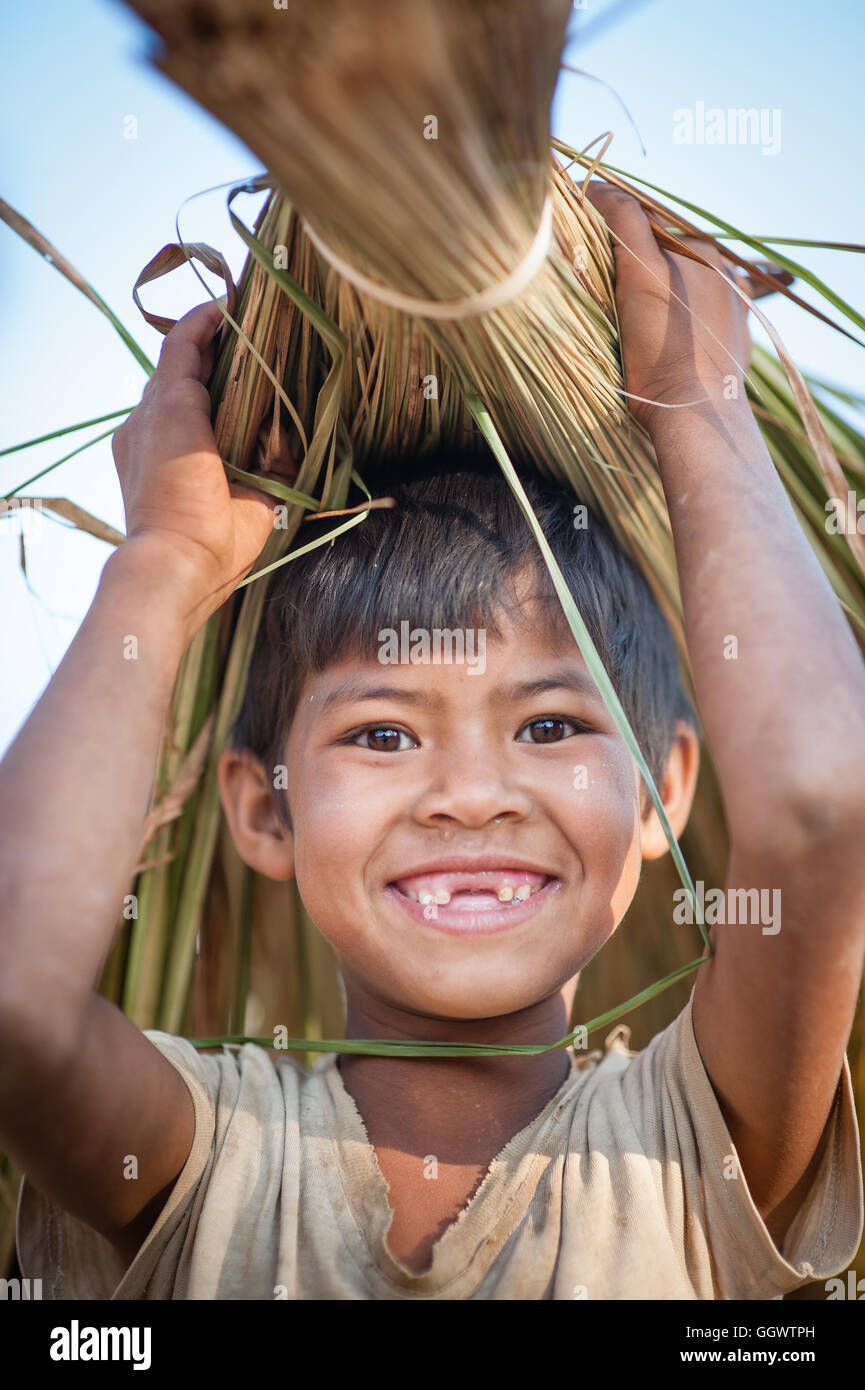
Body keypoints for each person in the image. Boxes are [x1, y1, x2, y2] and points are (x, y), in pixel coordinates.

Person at [4, 187, 863, 1299]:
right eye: (383, 732)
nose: (469, 794)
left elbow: (825, 801)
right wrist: (168, 560)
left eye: (550, 724)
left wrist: (697, 401)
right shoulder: (200, 1159)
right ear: (263, 808)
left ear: (659, 792)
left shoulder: (700, 1153)